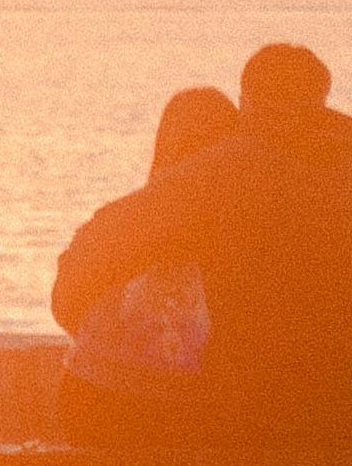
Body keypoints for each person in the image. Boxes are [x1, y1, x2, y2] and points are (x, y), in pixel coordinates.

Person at [50, 40, 352, 449]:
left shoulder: (223, 169)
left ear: (248, 100)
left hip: (261, 416)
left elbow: (99, 247)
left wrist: (79, 318)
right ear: (322, 95)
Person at [53, 83, 238, 444]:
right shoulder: (242, 226)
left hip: (91, 404)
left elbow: (65, 301)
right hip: (187, 414)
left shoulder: (126, 217)